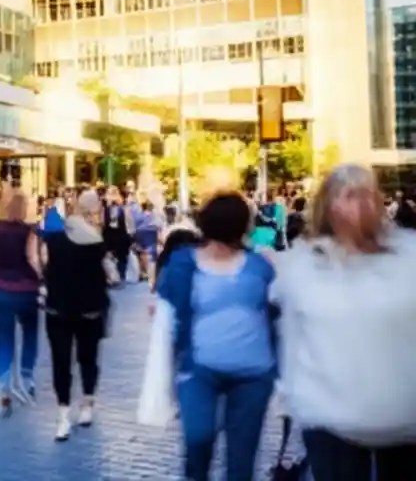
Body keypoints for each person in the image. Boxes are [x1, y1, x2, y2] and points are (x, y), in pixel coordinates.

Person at [274, 165, 416, 481]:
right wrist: (292, 399)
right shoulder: (305, 266)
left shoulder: (408, 257)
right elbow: (292, 339)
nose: (362, 203)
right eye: (351, 195)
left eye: (369, 193)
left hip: (401, 413)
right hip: (330, 415)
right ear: (331, 205)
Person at [157, 192, 277, 481]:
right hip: (200, 371)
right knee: (198, 441)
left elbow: (276, 310)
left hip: (253, 375)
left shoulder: (259, 266)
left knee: (241, 459)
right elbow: (165, 300)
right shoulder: (185, 263)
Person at [42, 189, 110, 441]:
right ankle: (87, 405)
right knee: (88, 358)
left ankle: (63, 416)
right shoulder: (96, 243)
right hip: (88, 310)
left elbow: (48, 270)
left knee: (62, 362)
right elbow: (101, 278)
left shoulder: (56, 239)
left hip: (58, 308)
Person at [0, 191, 42, 416]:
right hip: (25, 290)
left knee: (4, 337)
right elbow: (33, 259)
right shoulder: (30, 231)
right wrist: (42, 279)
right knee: (30, 332)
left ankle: (4, 387)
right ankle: (27, 378)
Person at [102, 187, 134, 284]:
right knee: (108, 255)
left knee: (122, 256)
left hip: (121, 235)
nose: (112, 196)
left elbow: (130, 223)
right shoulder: (105, 209)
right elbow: (103, 223)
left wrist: (131, 236)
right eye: (110, 193)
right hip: (109, 235)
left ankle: (121, 275)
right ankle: (113, 276)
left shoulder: (124, 208)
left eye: (114, 193)